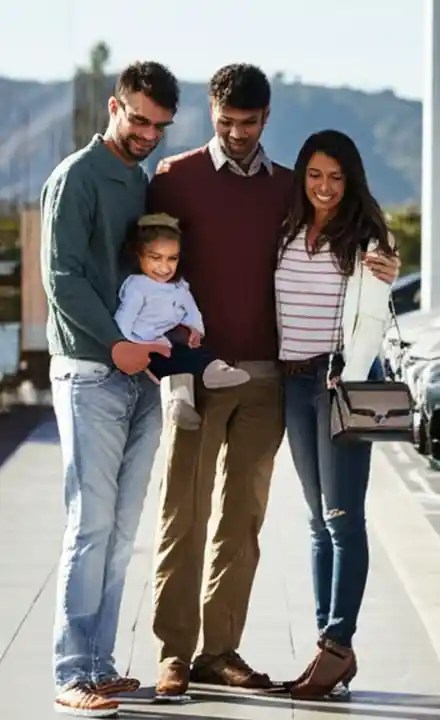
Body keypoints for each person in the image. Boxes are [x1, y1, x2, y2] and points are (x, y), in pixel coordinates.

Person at [146, 63, 292, 702]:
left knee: (242, 520)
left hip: (266, 376)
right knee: (185, 513)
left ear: (267, 118)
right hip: (193, 375)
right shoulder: (175, 179)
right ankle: (173, 653)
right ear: (212, 113)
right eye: (226, 122)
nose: (237, 133)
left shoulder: (288, 188)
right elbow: (149, 271)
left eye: (249, 123)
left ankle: (220, 651)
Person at [41, 61, 180, 717]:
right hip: (91, 374)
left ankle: (99, 665)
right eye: (140, 118)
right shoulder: (76, 177)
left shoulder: (139, 181)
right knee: (90, 527)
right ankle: (71, 671)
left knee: (122, 533)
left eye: (160, 125)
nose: (149, 133)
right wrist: (117, 347)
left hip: (139, 380)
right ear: (114, 105)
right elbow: (62, 278)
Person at [275, 130, 399, 699]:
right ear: (303, 175)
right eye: (316, 175)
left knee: (344, 518)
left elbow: (370, 326)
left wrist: (345, 383)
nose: (325, 188)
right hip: (293, 382)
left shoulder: (369, 238)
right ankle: (327, 646)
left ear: (351, 181)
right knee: (316, 519)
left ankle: (338, 642)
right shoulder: (286, 229)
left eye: (336, 177)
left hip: (336, 382)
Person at [114, 213, 251, 428]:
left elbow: (192, 310)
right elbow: (123, 322)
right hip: (148, 344)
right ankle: (183, 395)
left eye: (172, 258)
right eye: (155, 258)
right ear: (139, 256)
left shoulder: (179, 286)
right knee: (175, 361)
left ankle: (204, 380)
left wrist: (195, 329)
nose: (164, 267)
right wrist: (138, 345)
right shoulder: (138, 287)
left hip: (173, 337)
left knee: (189, 353)